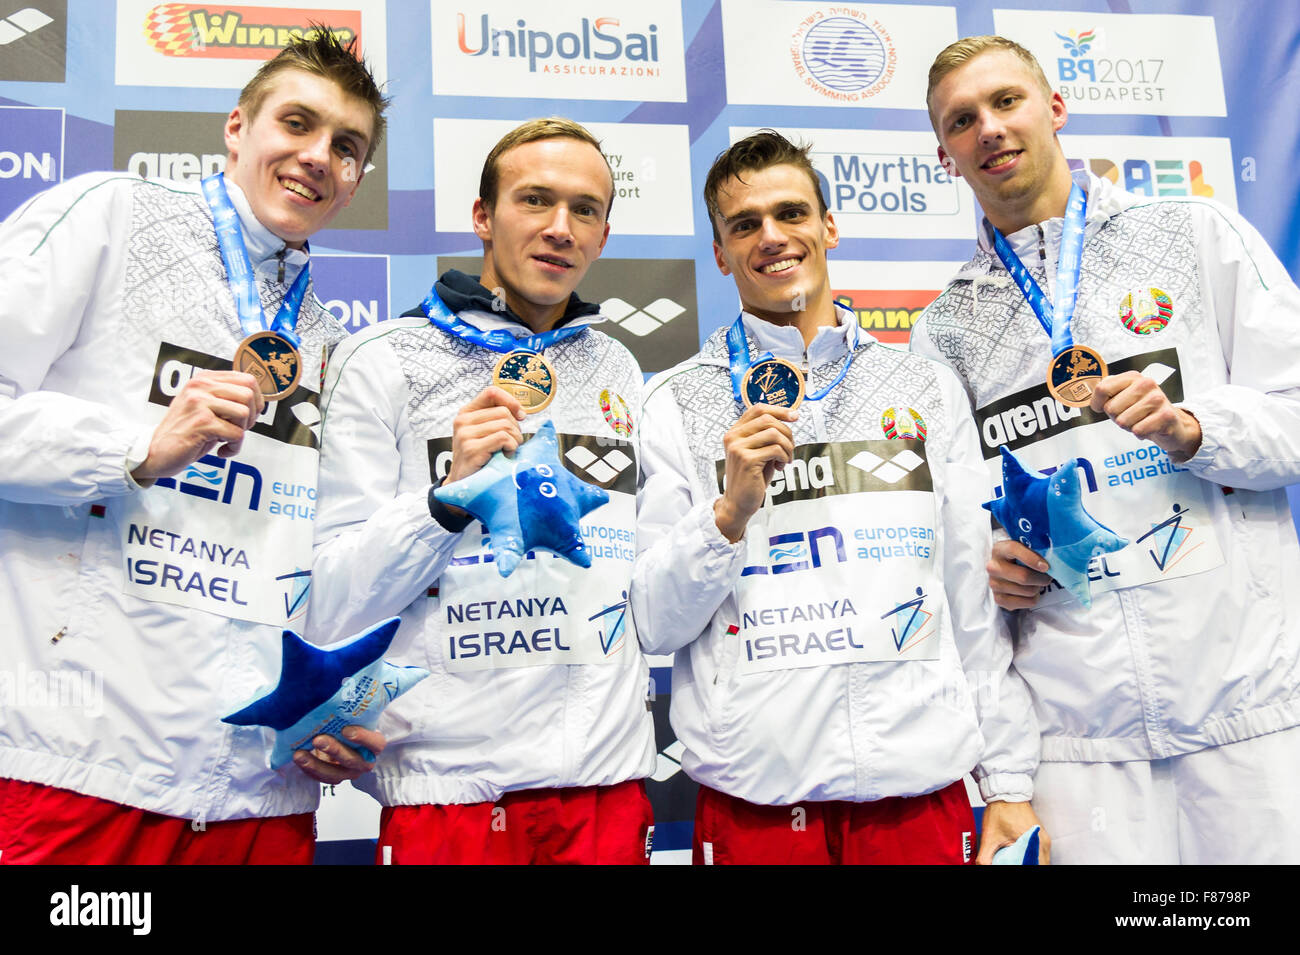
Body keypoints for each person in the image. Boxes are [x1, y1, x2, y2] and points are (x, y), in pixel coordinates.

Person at [0, 30, 389, 864]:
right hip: (83, 772)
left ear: (356, 179)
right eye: (297, 123)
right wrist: (136, 446)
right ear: (237, 128)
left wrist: (325, 712)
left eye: (346, 146)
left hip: (258, 796)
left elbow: (315, 558)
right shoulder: (111, 215)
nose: (318, 156)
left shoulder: (324, 339)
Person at [914, 35, 1300, 863]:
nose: (989, 128)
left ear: (1055, 107)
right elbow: (950, 529)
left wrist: (1196, 428)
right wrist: (992, 559)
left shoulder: (1195, 234)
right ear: (945, 155)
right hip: (1076, 735)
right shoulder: (943, 328)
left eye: (1006, 101)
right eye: (961, 120)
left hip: (1246, 712)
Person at [631, 130, 1043, 865]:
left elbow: (970, 603)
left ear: (829, 226)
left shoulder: (922, 384)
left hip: (917, 794)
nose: (772, 237)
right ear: (721, 253)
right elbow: (655, 623)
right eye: (744, 224)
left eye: (791, 213)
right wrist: (726, 517)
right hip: (755, 801)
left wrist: (1007, 779)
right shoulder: (677, 400)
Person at [309, 118, 656, 865]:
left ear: (603, 235)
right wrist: (443, 500)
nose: (560, 228)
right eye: (535, 200)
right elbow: (330, 594)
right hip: (450, 791)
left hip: (605, 787)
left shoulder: (621, 370)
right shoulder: (384, 359)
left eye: (584, 209)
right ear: (482, 217)